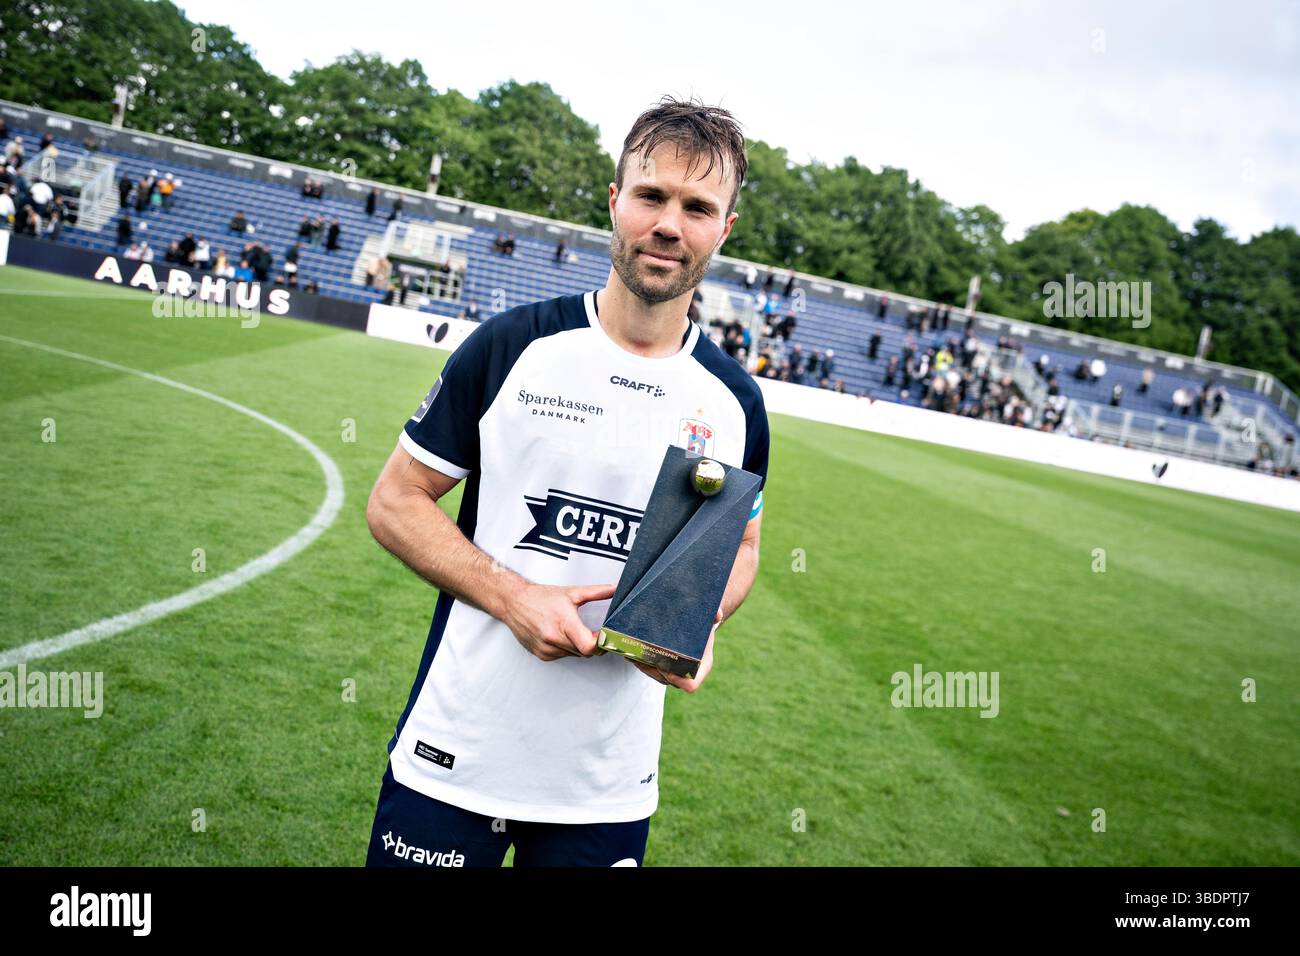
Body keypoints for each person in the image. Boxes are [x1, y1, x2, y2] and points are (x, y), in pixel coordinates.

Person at [364, 96, 768, 868]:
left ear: (724, 229)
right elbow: (394, 501)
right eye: (651, 195)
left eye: (697, 207)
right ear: (616, 201)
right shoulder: (513, 347)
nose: (669, 225)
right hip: (458, 754)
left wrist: (698, 624)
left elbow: (742, 545)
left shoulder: (734, 401)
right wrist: (513, 596)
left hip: (603, 788)